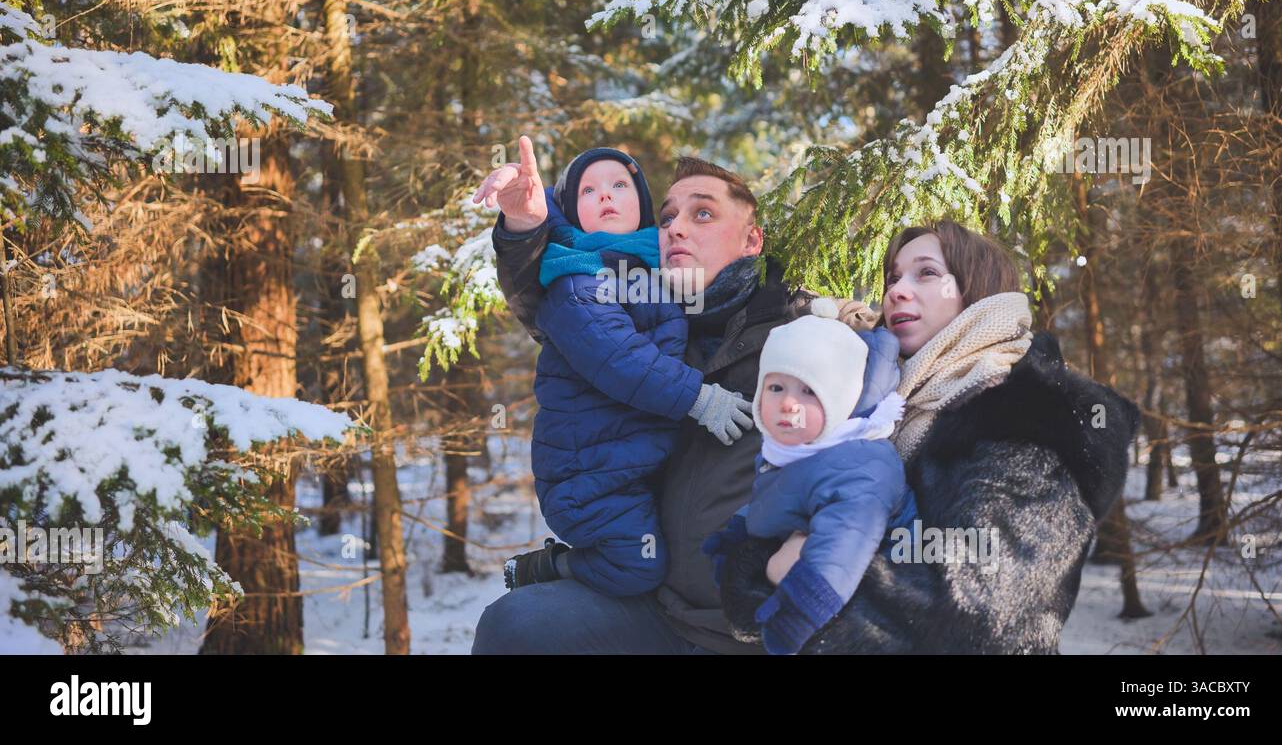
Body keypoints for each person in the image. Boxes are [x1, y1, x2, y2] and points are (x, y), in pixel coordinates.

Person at [470, 136, 874, 653]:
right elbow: (571, 312)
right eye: (665, 218)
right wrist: (526, 228)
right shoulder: (648, 316)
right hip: (658, 609)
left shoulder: (800, 335)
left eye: (702, 214)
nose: (677, 227)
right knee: (516, 625)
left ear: (752, 241)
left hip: (761, 624)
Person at [715, 220, 1141, 654]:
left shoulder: (1025, 423)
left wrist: (800, 578)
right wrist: (761, 566)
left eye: (927, 273)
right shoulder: (880, 413)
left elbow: (976, 616)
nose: (896, 291)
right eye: (893, 278)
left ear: (977, 291)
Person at [501, 147, 754, 597]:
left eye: (620, 185)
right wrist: (699, 397)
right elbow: (619, 358)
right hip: (590, 473)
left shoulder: (655, 269)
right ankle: (549, 568)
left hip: (632, 463)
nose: (606, 196)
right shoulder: (573, 278)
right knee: (639, 564)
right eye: (588, 189)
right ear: (571, 211)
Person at [702, 302, 914, 654]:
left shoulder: (860, 464)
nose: (788, 404)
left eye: (809, 391)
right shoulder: (790, 453)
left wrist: (794, 621)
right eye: (776, 388)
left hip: (864, 616)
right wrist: (734, 540)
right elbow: (773, 504)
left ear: (840, 400)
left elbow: (842, 549)